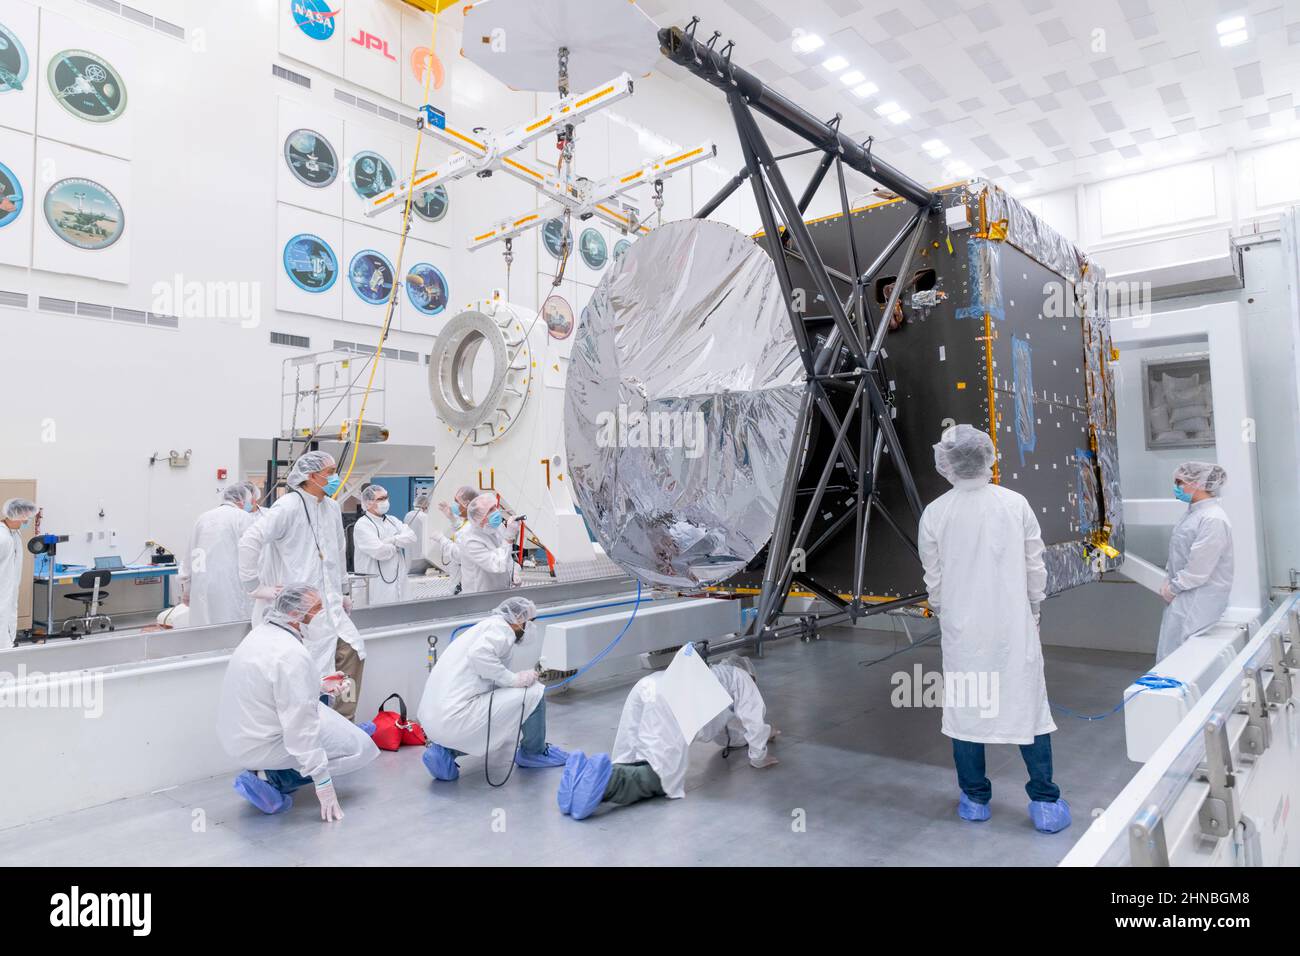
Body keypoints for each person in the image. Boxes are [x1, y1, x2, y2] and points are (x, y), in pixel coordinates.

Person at [916, 424, 1069, 833]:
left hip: (963, 631)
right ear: (987, 458)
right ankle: (1044, 802)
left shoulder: (936, 512)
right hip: (1013, 625)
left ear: (946, 463)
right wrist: (1034, 607)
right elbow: (1034, 565)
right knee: (1028, 708)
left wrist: (947, 611)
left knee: (967, 715)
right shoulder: (1015, 504)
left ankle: (975, 799)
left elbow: (935, 581)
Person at [216, 585, 379, 820]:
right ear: (295, 615)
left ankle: (271, 770)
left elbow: (274, 689)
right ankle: (271, 778)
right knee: (359, 748)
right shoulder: (291, 654)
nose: (324, 614)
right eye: (318, 609)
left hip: (241, 736)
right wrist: (323, 782)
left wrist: (318, 684)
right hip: (264, 743)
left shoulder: (262, 634)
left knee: (332, 725)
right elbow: (301, 729)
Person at [559, 654, 779, 820]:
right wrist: (759, 757)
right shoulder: (742, 678)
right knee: (662, 774)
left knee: (633, 756)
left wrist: (763, 736)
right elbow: (753, 719)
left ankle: (584, 773)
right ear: (751, 675)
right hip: (670, 698)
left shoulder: (714, 677)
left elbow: (726, 735)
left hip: (649, 684)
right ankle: (605, 784)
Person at [238, 450, 366, 720]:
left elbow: (337, 552)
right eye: (330, 473)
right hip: (298, 610)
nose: (335, 478)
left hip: (329, 604)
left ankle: (344, 723)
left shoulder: (331, 507)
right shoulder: (288, 507)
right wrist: (255, 586)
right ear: (311, 476)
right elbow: (250, 539)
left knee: (352, 653)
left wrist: (342, 591)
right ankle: (312, 730)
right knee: (308, 674)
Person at [417, 596, 568, 781]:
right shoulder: (502, 629)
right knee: (535, 693)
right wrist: (514, 680)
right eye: (531, 622)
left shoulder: (485, 627)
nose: (532, 628)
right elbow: (479, 655)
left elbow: (484, 674)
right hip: (455, 716)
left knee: (497, 719)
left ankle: (445, 751)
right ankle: (533, 752)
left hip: (432, 722)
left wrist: (514, 680)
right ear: (519, 620)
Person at [1157, 462, 1233, 662]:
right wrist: (1169, 578)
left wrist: (1173, 588)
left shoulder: (1213, 519)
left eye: (1180, 483)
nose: (1176, 488)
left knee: (1181, 655)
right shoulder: (1194, 513)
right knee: (1172, 650)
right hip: (1186, 595)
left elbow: (1199, 569)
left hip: (1198, 598)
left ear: (1197, 483)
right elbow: (1179, 551)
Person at [178, 482, 259, 627]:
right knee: (230, 628)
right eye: (251, 502)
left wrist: (187, 588)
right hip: (230, 585)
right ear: (242, 500)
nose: (252, 506)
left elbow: (191, 555)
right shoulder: (243, 518)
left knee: (204, 629)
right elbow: (253, 553)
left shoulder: (202, 518)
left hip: (201, 585)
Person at [437, 492, 523, 595]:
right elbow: (497, 565)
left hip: (501, 590)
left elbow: (505, 553)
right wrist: (509, 537)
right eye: (490, 510)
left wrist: (514, 570)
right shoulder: (470, 539)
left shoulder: (497, 527)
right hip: (479, 595)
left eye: (495, 507)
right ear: (479, 517)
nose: (496, 512)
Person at [352, 485, 418, 605]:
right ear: (368, 503)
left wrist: (391, 540)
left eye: (386, 498)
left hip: (399, 584)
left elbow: (412, 537)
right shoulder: (363, 525)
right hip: (376, 587)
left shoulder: (392, 520)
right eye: (381, 499)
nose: (385, 502)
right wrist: (398, 544)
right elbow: (380, 552)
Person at [1, 498, 39, 649]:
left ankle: (6, 647)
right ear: (18, 515)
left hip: (9, 588)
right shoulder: (2, 537)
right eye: (26, 516)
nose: (27, 520)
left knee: (7, 620)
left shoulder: (14, 534)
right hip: (2, 588)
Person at [404, 491, 432, 575]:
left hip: (409, 555)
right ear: (425, 506)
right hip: (421, 558)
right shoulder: (425, 517)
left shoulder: (408, 515)